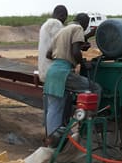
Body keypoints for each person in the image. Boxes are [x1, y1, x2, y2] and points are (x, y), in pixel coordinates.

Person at [43, 13, 101, 144]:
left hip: (52, 72)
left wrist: (64, 55)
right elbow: (75, 52)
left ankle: (52, 142)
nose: (85, 29)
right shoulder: (78, 28)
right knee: (95, 88)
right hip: (63, 72)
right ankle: (91, 125)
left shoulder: (61, 31)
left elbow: (48, 54)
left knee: (55, 108)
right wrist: (81, 62)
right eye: (86, 26)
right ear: (84, 23)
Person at [38, 4, 68, 82]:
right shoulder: (56, 24)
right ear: (63, 16)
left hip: (44, 70)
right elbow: (60, 45)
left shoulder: (45, 24)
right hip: (53, 71)